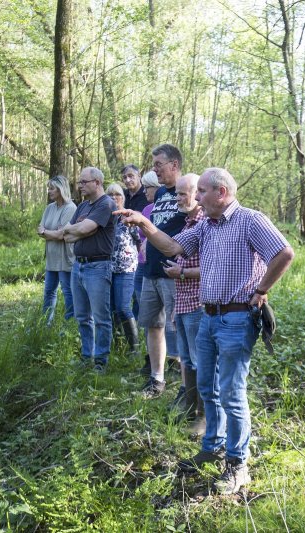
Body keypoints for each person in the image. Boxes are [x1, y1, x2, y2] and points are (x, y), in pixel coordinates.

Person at [116, 167, 295, 495]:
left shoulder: (250, 220)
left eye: (201, 191)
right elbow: (172, 247)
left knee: (231, 391)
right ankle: (213, 445)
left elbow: (284, 252)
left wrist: (262, 289)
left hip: (237, 318)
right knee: (208, 386)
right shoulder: (206, 226)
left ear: (221, 192)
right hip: (208, 316)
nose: (196, 198)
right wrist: (143, 223)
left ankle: (238, 464)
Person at [137, 144, 187, 398]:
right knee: (153, 325)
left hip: (174, 271)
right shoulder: (159, 194)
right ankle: (157, 380)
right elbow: (157, 226)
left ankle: (187, 386)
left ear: (174, 165)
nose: (154, 169)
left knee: (180, 326)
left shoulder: (188, 191)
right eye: (154, 164)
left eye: (159, 164)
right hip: (151, 269)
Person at [58, 167, 117, 373]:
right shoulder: (83, 206)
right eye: (79, 182)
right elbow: (66, 235)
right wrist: (82, 230)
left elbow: (79, 229)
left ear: (97, 183)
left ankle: (100, 360)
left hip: (98, 266)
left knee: (101, 318)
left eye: (84, 182)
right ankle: (86, 356)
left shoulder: (106, 204)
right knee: (82, 316)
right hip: (78, 265)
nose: (80, 186)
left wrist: (80, 229)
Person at [162, 173, 205, 436]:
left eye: (182, 193)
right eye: (176, 193)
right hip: (183, 300)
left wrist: (182, 273)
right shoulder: (188, 222)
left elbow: (214, 268)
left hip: (199, 302)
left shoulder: (204, 223)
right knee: (187, 359)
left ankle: (202, 416)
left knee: (200, 360)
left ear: (197, 194)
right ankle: (190, 408)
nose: (177, 198)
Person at [37, 175, 77, 323]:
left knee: (68, 292)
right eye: (49, 188)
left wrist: (46, 232)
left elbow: (62, 235)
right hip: (51, 257)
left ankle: (70, 324)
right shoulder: (49, 208)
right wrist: (50, 232)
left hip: (65, 258)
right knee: (49, 292)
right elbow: (40, 229)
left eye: (52, 188)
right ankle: (45, 323)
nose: (49, 191)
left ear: (61, 189)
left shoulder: (70, 208)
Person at [107, 182, 141, 354]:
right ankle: (118, 345)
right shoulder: (105, 218)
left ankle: (134, 347)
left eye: (117, 194)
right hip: (108, 268)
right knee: (112, 308)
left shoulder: (129, 217)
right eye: (110, 195)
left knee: (123, 307)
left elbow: (140, 240)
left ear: (123, 197)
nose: (114, 198)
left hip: (126, 268)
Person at [133, 171, 161, 376]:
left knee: (163, 318)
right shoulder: (146, 209)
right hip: (141, 265)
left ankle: (172, 358)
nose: (144, 191)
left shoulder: (166, 209)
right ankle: (150, 357)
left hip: (158, 266)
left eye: (147, 187)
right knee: (146, 313)